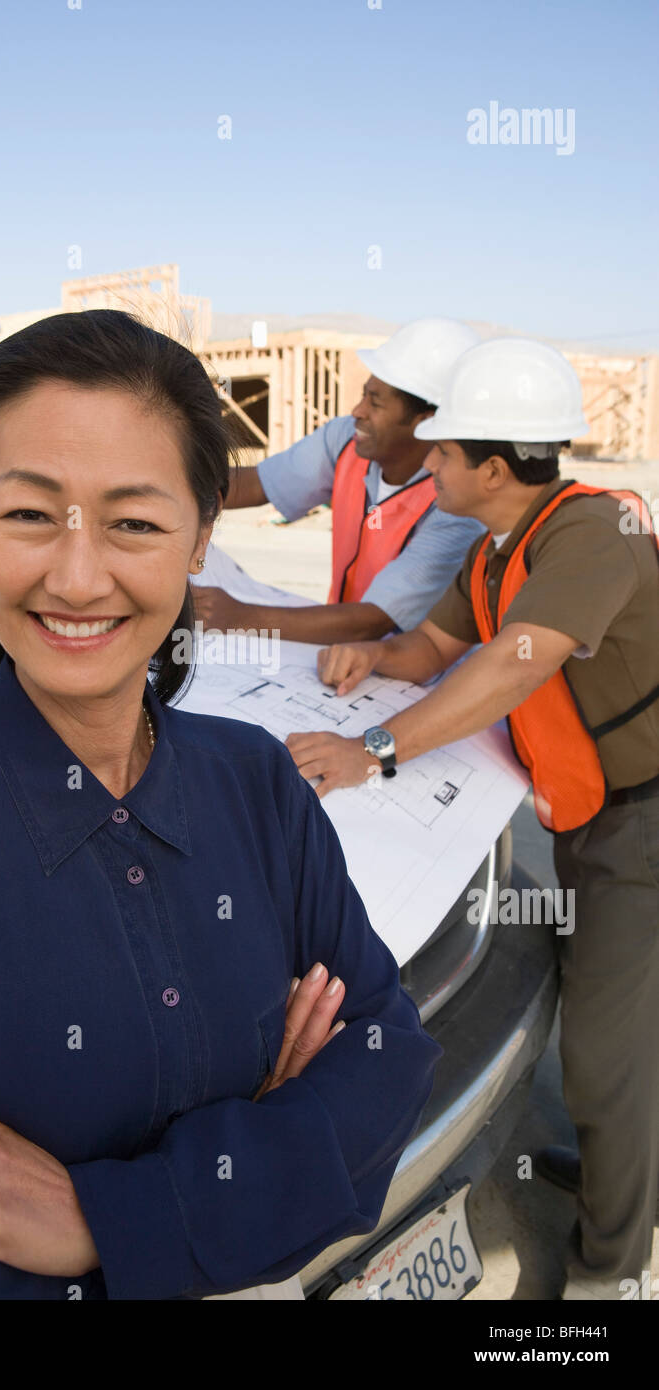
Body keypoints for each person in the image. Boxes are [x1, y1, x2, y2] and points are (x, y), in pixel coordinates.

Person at [0, 309, 442, 1301]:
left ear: (201, 539)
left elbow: (385, 1059)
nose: (77, 575)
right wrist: (271, 1139)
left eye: (133, 522)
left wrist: (109, 1220)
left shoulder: (256, 783)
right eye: (28, 514)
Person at [284, 337, 659, 1300]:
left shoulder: (592, 533)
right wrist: (372, 659)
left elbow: (510, 663)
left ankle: (609, 1269)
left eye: (445, 451)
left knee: (608, 1050)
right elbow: (431, 649)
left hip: (643, 822)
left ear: (494, 468)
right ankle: (622, 1179)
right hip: (588, 814)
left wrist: (374, 750)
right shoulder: (495, 552)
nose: (429, 462)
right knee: (607, 1024)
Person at [193, 316, 485, 644]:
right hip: (345, 649)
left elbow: (372, 621)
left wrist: (239, 617)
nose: (358, 411)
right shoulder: (347, 439)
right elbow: (256, 484)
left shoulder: (459, 508)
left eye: (375, 403)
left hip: (410, 663)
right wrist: (173, 489)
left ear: (426, 420)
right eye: (363, 395)